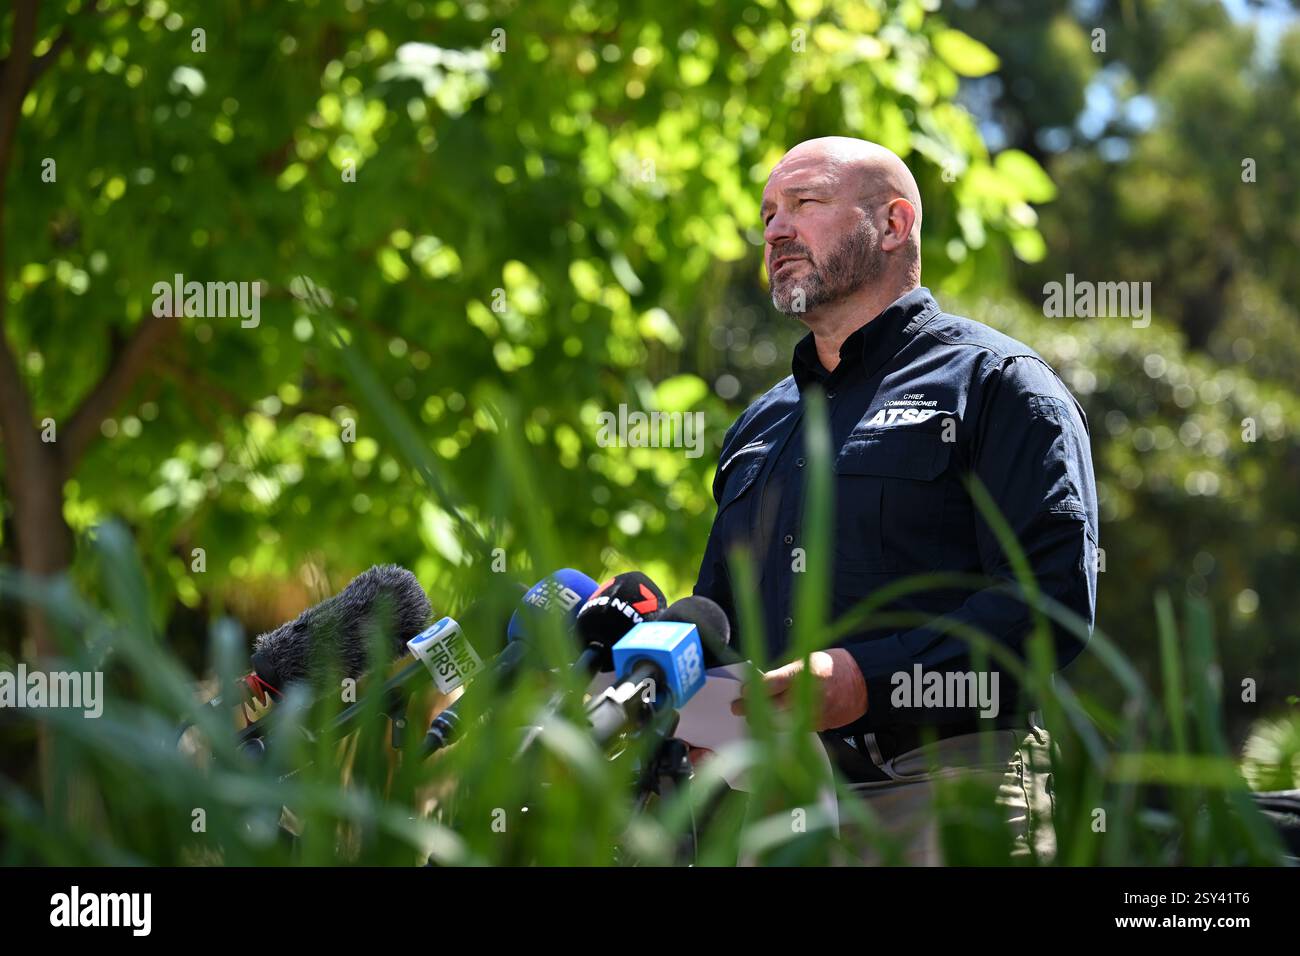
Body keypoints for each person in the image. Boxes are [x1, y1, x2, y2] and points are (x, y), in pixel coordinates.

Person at [694, 136, 1098, 863]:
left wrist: (867, 681)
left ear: (893, 224)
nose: (776, 230)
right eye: (766, 216)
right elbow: (720, 625)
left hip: (948, 782)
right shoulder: (759, 426)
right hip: (774, 810)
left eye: (805, 203)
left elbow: (1052, 604)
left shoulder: (1001, 384)